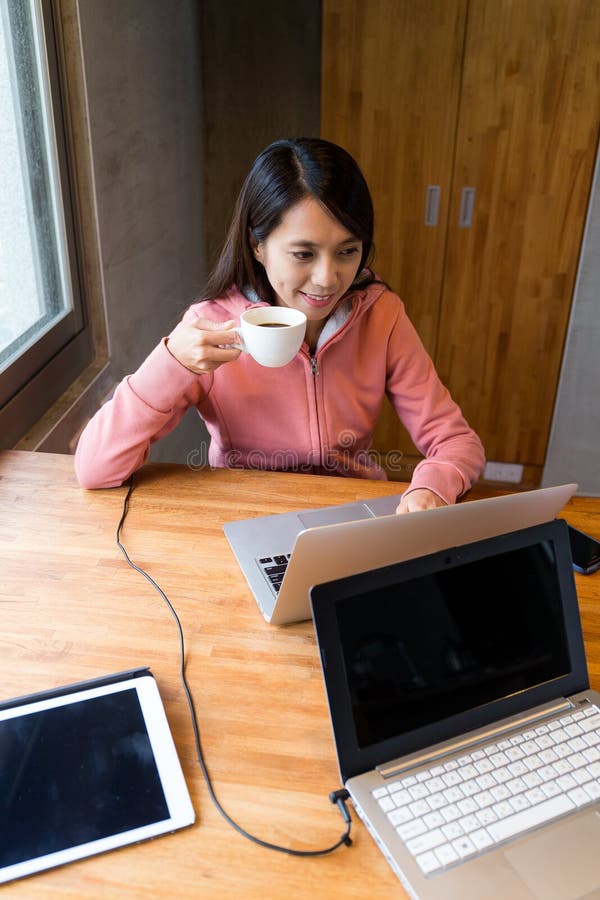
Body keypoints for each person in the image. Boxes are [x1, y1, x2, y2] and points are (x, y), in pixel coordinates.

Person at [75, 138, 485, 512]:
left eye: (347, 251)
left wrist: (430, 489)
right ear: (258, 246)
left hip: (350, 519)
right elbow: (95, 468)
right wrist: (170, 362)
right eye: (303, 254)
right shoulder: (211, 326)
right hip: (242, 517)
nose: (328, 278)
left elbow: (456, 441)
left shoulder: (382, 315)